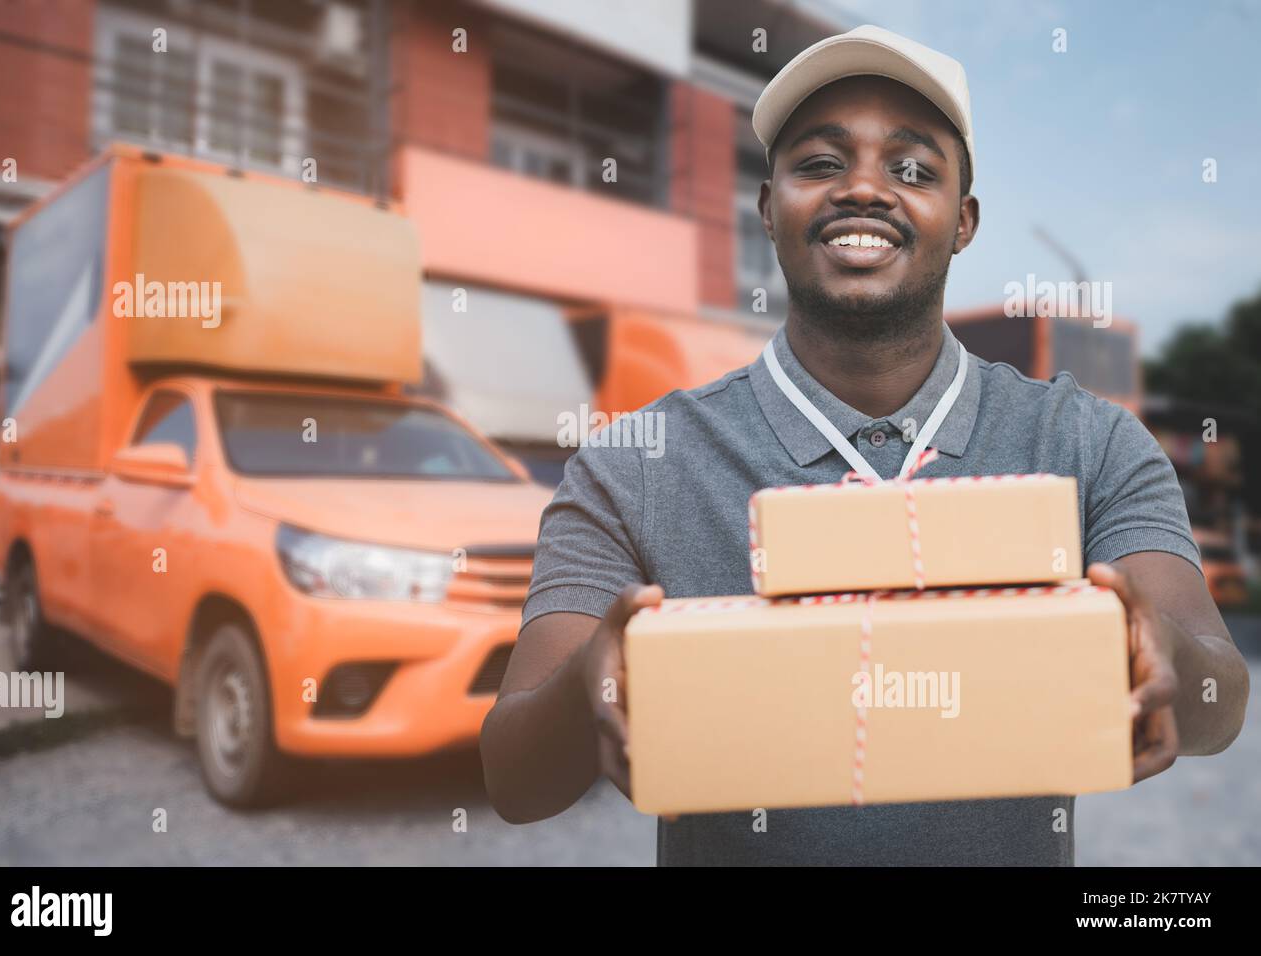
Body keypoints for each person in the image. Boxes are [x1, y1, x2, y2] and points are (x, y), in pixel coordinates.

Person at [479, 24, 1249, 865]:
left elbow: (1218, 696)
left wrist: (1160, 654)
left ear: (963, 221)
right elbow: (514, 782)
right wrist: (599, 671)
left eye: (913, 169)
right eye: (818, 163)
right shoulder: (633, 465)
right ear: (769, 210)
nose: (865, 191)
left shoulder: (1088, 443)